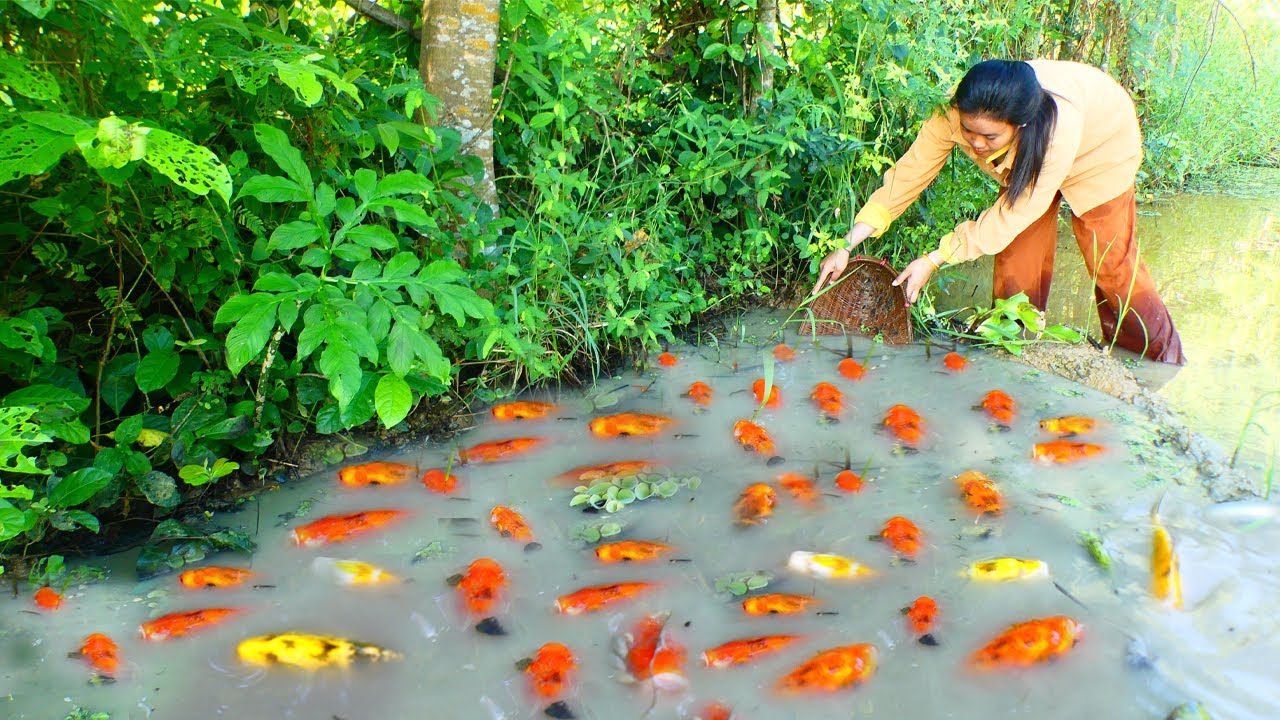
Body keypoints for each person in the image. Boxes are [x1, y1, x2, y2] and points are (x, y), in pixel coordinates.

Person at [811, 59, 1185, 364]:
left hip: (1101, 146)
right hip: (1033, 160)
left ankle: (1154, 359)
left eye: (990, 137)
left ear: (1019, 126)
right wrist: (847, 243)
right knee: (1018, 259)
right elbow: (908, 176)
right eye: (968, 131)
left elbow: (1010, 217)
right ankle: (1014, 347)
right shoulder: (954, 112)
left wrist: (935, 259)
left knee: (1112, 264)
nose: (976, 143)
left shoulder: (1055, 131)